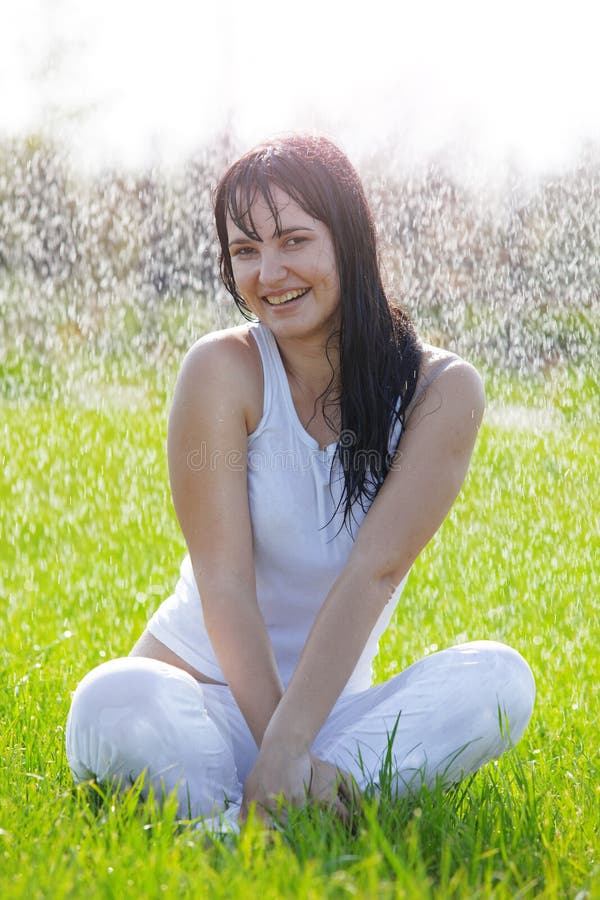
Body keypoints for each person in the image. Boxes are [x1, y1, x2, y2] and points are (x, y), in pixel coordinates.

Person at [66, 134, 535, 827]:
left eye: (292, 240)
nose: (269, 271)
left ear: (348, 241)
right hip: (197, 712)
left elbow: (372, 574)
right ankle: (285, 814)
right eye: (245, 250)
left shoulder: (441, 390)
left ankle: (242, 825)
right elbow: (224, 582)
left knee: (502, 681)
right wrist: (275, 750)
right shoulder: (221, 371)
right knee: (110, 697)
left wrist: (296, 745)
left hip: (326, 720)